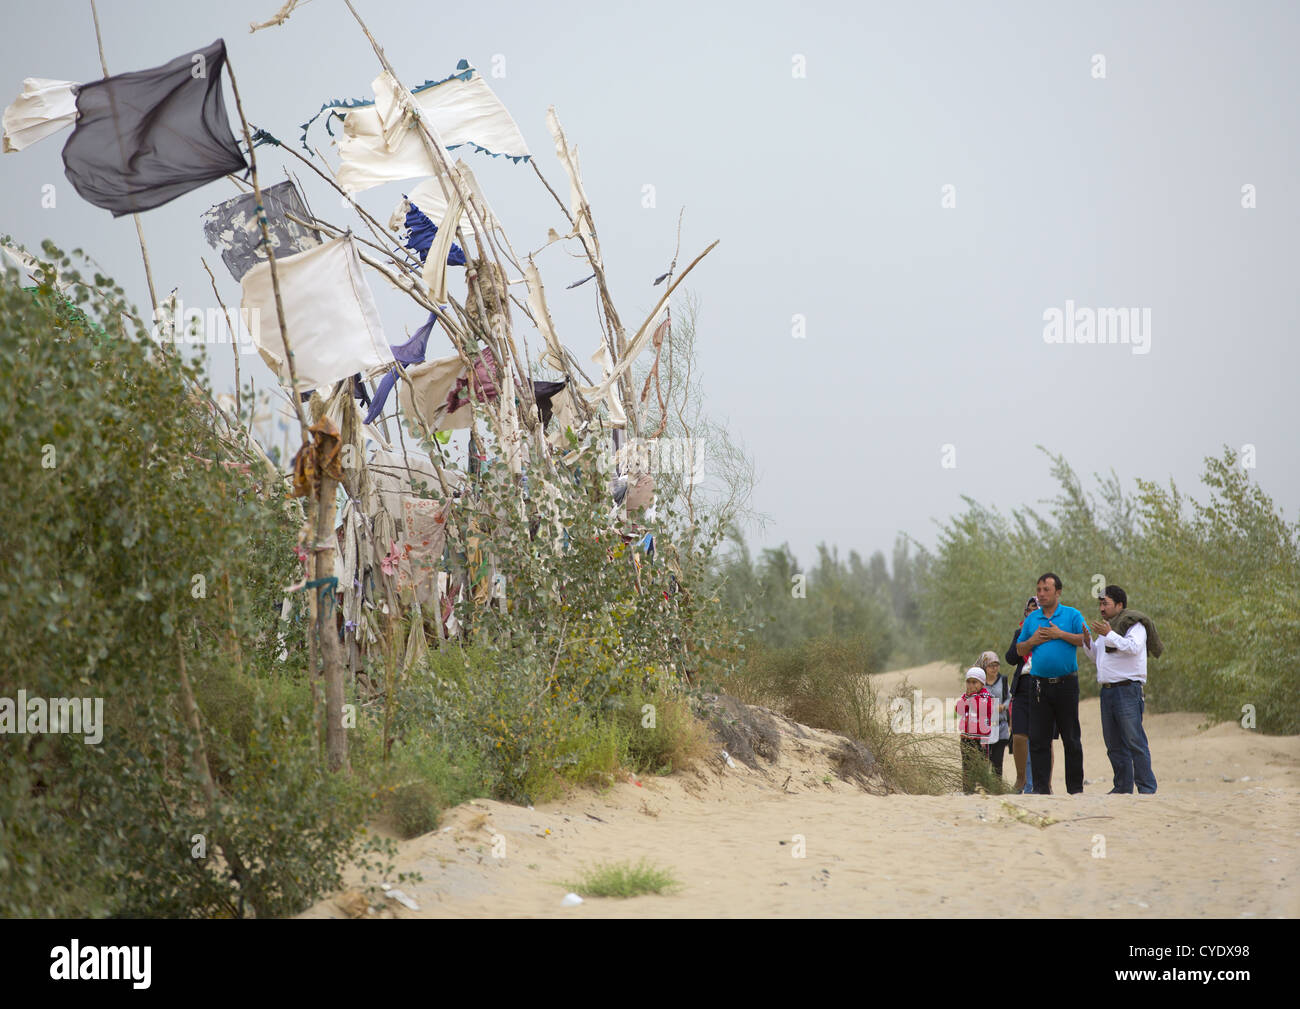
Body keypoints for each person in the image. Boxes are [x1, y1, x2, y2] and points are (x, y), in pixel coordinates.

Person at [1082, 584, 1163, 794]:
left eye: (1105, 603)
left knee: (1134, 740)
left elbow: (1133, 648)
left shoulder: (1133, 625)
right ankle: (1122, 787)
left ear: (1119, 605)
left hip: (1127, 690)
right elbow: (1098, 658)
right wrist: (1087, 642)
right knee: (1114, 743)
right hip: (1107, 691)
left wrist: (1110, 634)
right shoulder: (1107, 629)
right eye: (1100, 603)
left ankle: (1146, 788)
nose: (1101, 608)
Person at [1016, 572, 1087, 794]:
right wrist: (1032, 641)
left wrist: (1059, 633)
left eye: (1046, 589)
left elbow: (1085, 639)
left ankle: (1075, 789)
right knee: (1038, 739)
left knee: (1071, 738)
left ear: (1058, 592)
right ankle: (1040, 789)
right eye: (1038, 590)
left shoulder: (1072, 614)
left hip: (1066, 684)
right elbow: (1019, 649)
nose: (1041, 594)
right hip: (1038, 685)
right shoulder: (1032, 619)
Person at [1005, 596, 1058, 793]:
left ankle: (1046, 783)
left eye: (1038, 609)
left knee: (1045, 739)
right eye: (1030, 610)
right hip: (1023, 685)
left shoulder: (1054, 631)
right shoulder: (1020, 633)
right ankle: (1021, 779)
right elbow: (1010, 658)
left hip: (1046, 684)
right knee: (1019, 735)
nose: (1033, 612)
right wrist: (1027, 641)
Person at [955, 667, 995, 793]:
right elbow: (959, 710)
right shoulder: (965, 696)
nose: (971, 685)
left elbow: (984, 709)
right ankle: (967, 790)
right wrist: (965, 698)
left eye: (974, 682)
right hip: (966, 737)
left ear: (982, 683)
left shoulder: (986, 696)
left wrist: (972, 698)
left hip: (981, 739)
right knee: (967, 765)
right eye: (969, 682)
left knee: (981, 764)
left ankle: (982, 789)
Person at [977, 651, 1010, 779]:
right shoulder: (979, 682)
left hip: (1000, 726)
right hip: (984, 728)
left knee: (997, 761)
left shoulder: (1003, 680)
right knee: (984, 760)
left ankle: (997, 789)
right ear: (984, 666)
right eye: (991, 665)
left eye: (996, 665)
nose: (994, 668)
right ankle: (984, 787)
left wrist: (1003, 707)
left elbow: (1009, 698)